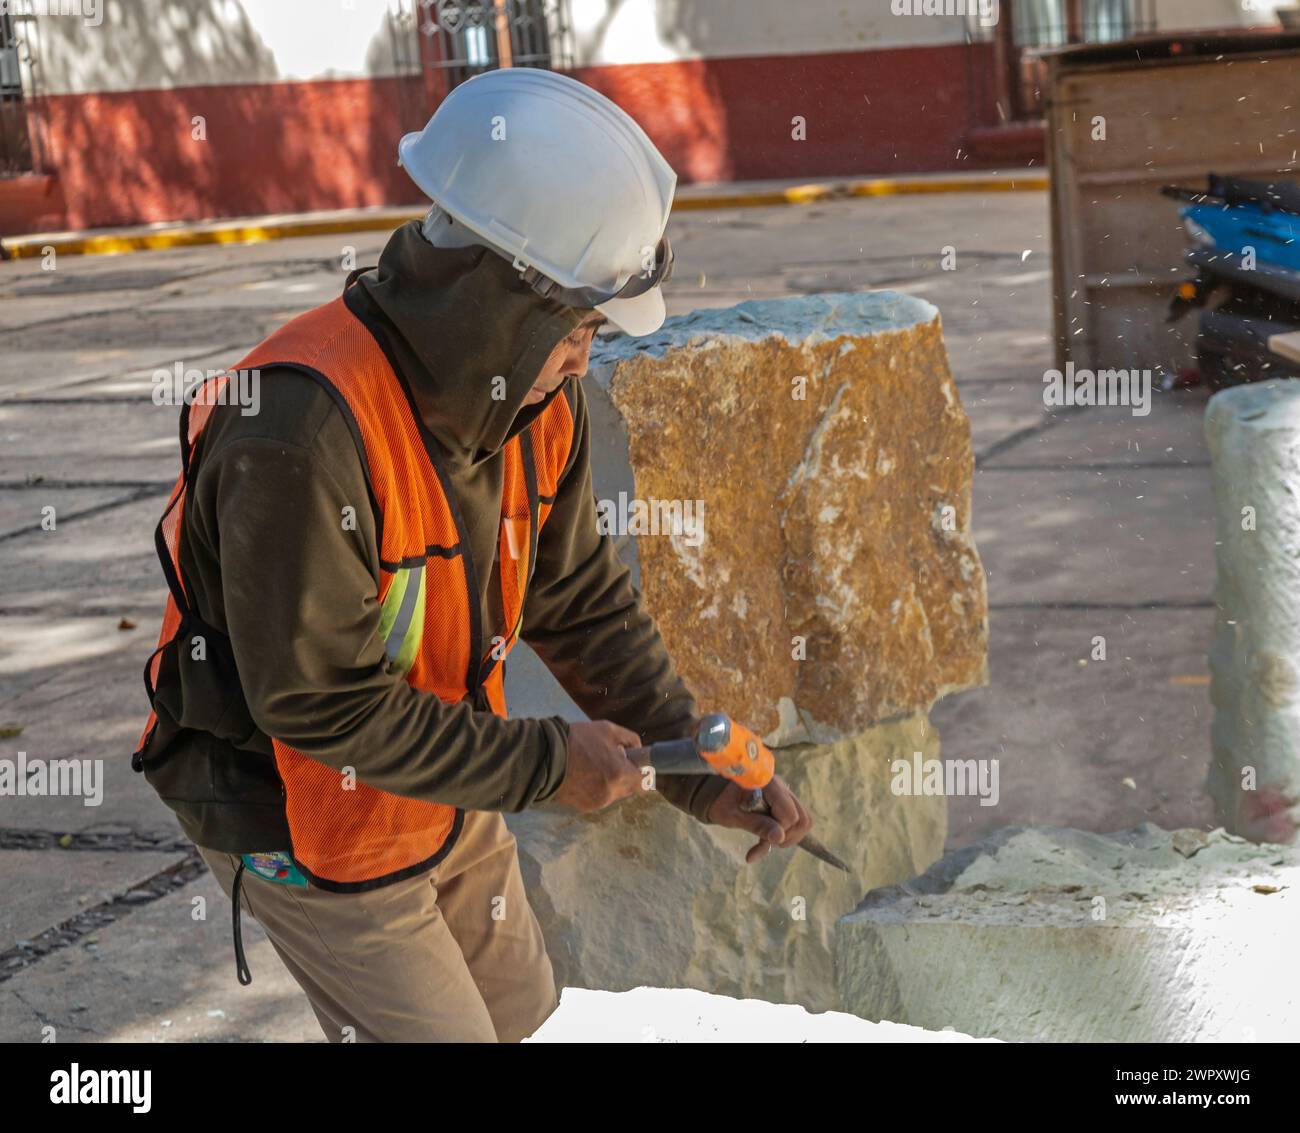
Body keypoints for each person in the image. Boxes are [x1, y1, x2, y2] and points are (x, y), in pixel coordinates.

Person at [131, 68, 813, 1043]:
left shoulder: (532, 399)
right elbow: (318, 703)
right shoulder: (296, 431)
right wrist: (542, 764)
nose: (587, 356)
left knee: (526, 1023)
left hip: (442, 784)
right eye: (577, 326)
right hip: (301, 817)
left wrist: (697, 763)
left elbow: (577, 598)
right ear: (500, 306)